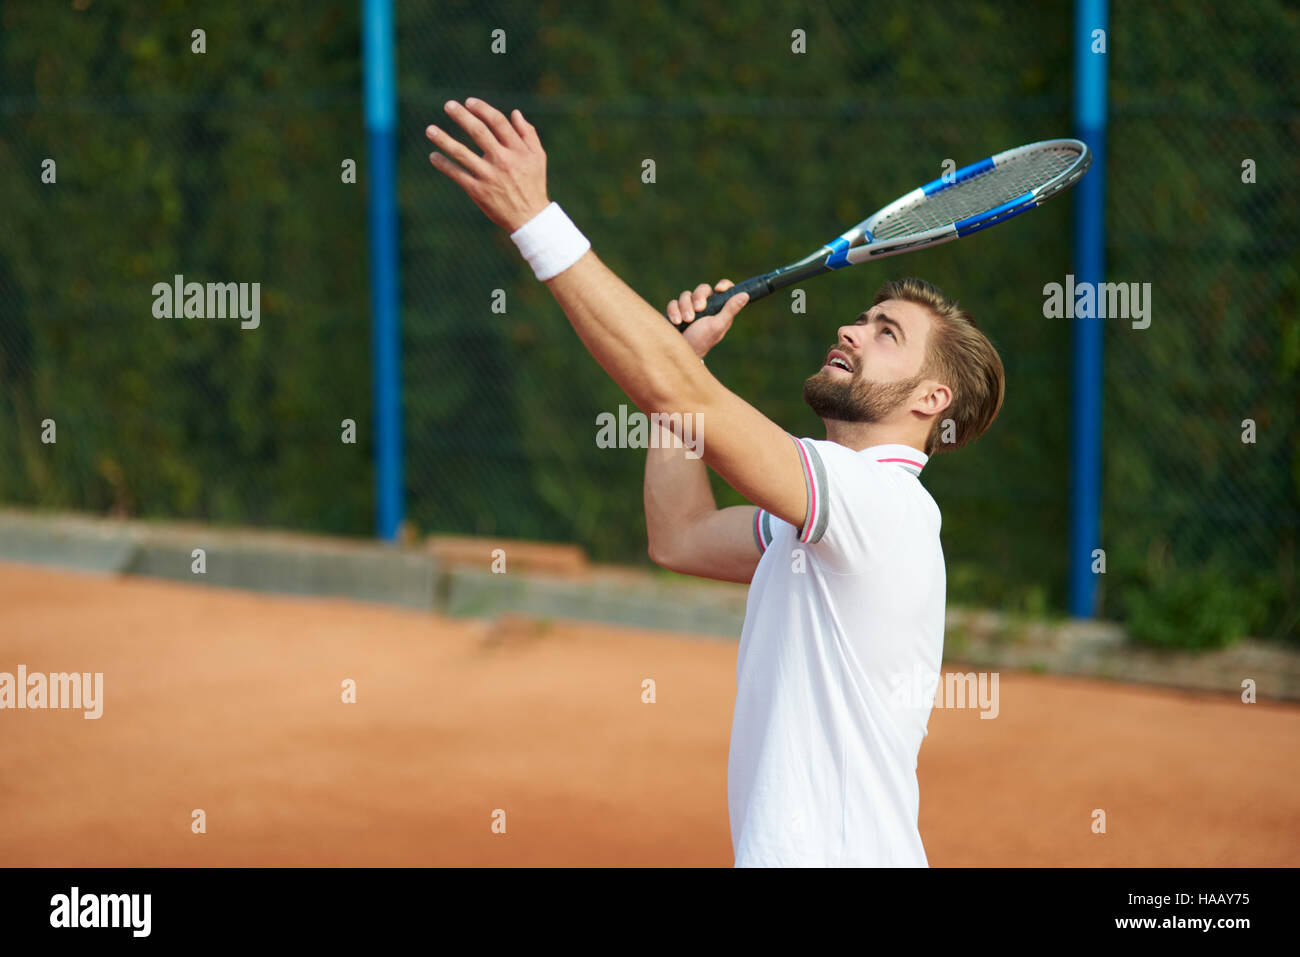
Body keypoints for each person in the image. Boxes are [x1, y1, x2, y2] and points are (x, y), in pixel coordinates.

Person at [427, 97, 1005, 866]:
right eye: (864, 318)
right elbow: (681, 535)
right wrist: (686, 360)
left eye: (886, 333)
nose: (851, 329)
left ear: (931, 401)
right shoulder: (828, 518)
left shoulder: (883, 505)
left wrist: (538, 221)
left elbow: (675, 396)